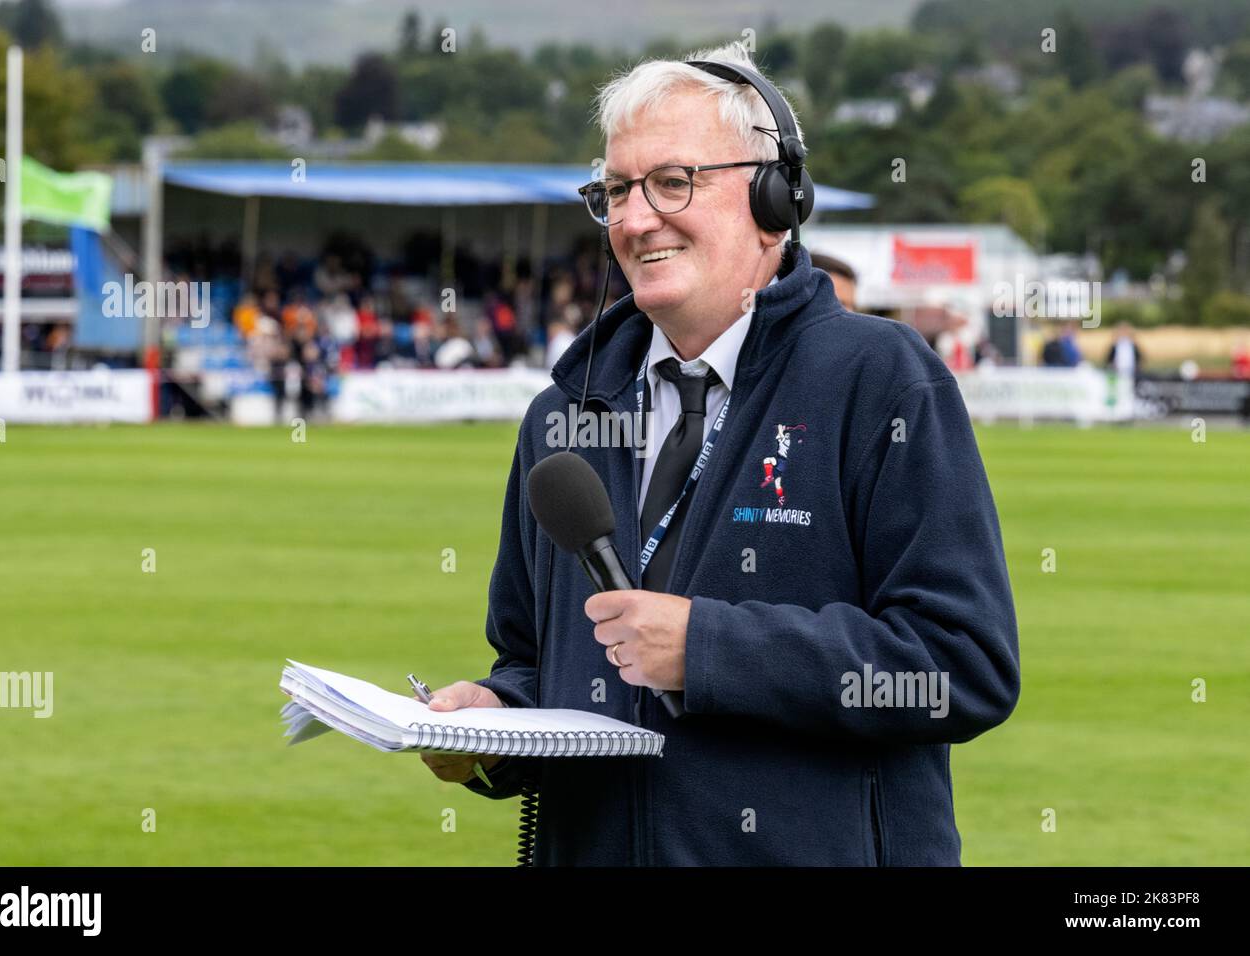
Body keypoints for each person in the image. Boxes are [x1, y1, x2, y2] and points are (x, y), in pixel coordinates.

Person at [419, 42, 1019, 866]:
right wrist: (491, 719)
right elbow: (534, 662)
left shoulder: (879, 381)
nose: (634, 219)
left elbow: (961, 664)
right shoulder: (562, 418)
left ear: (774, 197)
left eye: (673, 182)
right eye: (617, 191)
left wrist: (709, 651)